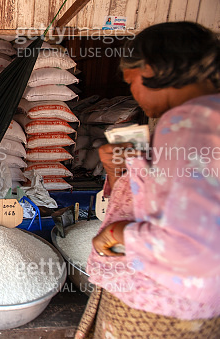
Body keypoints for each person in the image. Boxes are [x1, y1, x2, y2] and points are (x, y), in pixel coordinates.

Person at [76, 22, 220, 338]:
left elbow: (195, 247)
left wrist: (116, 235)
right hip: (195, 302)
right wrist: (119, 171)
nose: (132, 93)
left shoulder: (186, 123)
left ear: (150, 67)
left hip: (158, 304)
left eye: (131, 81)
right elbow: (165, 199)